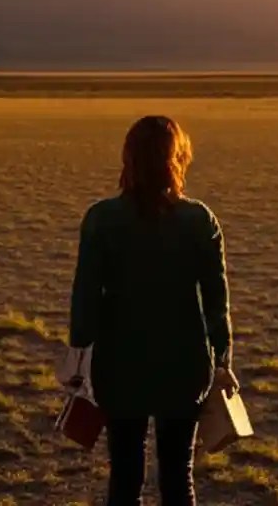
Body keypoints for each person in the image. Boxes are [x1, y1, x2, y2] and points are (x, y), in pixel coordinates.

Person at [64, 115, 238, 506]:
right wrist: (224, 356)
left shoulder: (102, 219)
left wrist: (78, 354)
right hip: (184, 366)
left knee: (125, 476)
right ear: (177, 158)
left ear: (130, 159)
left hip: (120, 366)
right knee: (178, 476)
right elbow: (216, 298)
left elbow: (85, 296)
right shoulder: (199, 220)